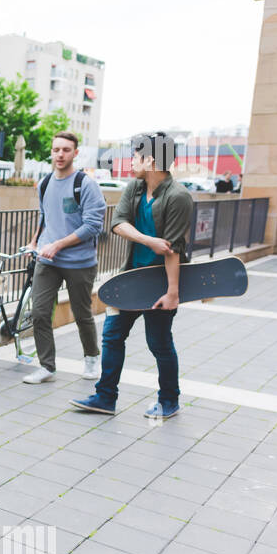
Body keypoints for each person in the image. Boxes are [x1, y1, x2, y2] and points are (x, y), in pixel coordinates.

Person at [71, 131, 193, 419]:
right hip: (130, 278)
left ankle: (169, 400)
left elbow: (173, 249)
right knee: (112, 336)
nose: (131, 162)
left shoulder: (179, 197)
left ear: (151, 159)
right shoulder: (135, 188)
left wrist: (173, 292)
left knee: (159, 343)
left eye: (136, 156)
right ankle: (105, 397)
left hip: (160, 282)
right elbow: (117, 223)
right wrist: (149, 240)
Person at [22, 131, 105, 384]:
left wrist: (58, 245)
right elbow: (44, 216)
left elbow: (93, 226)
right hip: (48, 261)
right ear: (51, 151)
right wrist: (35, 241)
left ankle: (91, 357)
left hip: (79, 263)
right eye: (56, 149)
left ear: (75, 153)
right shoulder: (45, 183)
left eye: (66, 150)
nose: (60, 154)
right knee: (39, 313)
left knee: (82, 314)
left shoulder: (85, 184)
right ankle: (47, 366)